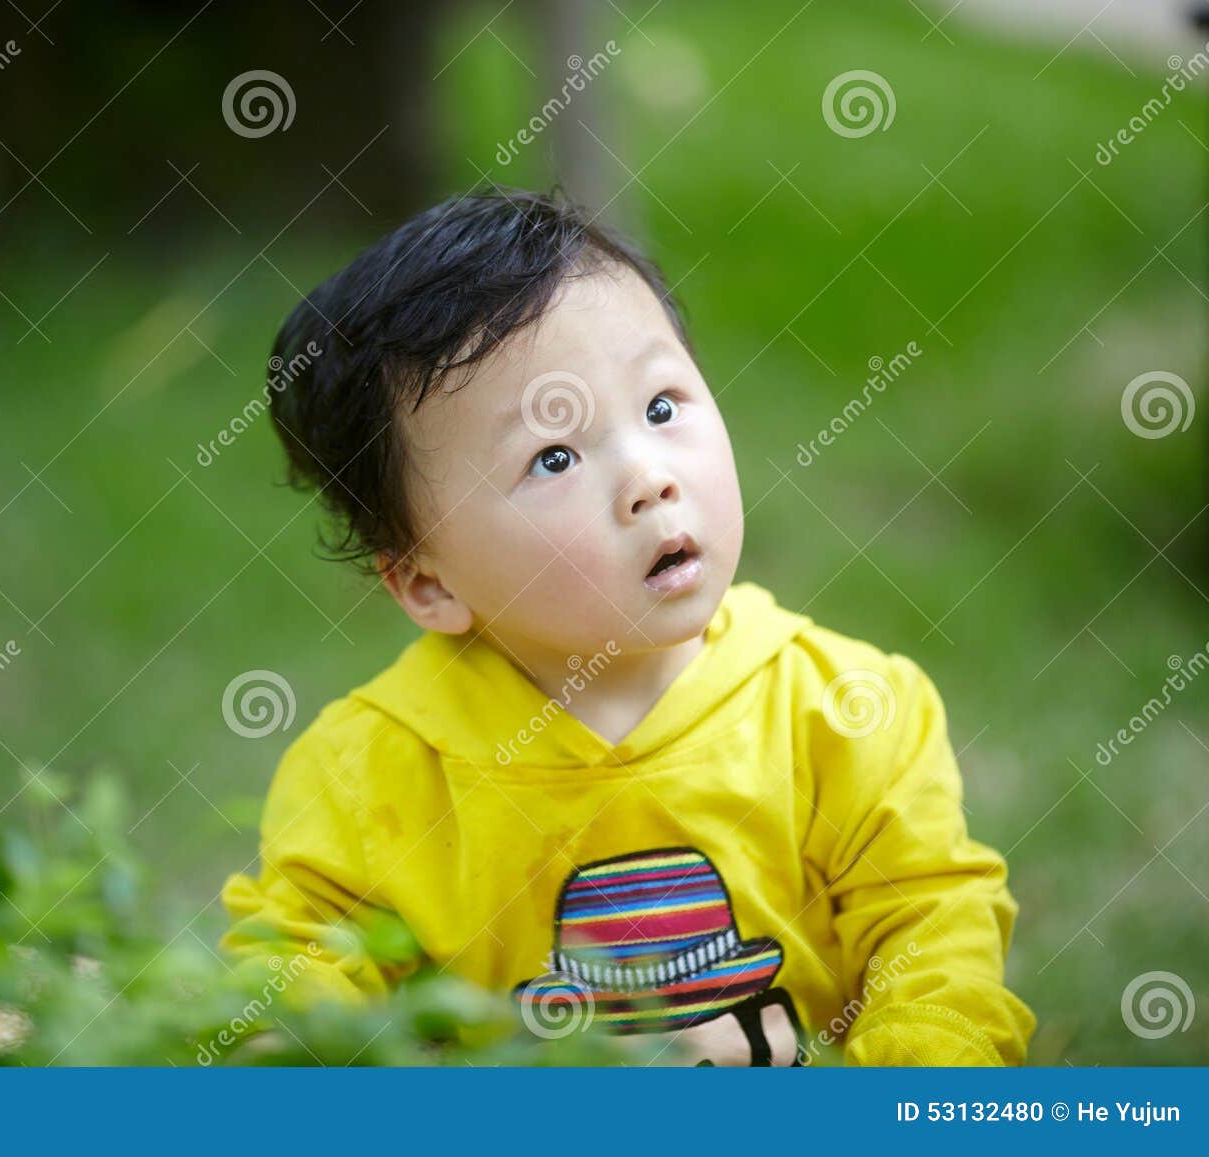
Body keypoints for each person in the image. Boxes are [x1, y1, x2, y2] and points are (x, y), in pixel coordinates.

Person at [219, 187, 1036, 1066]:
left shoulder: (845, 711)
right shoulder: (375, 777)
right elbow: (299, 976)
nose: (648, 476)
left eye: (660, 406)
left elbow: (932, 930)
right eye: (554, 458)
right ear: (426, 581)